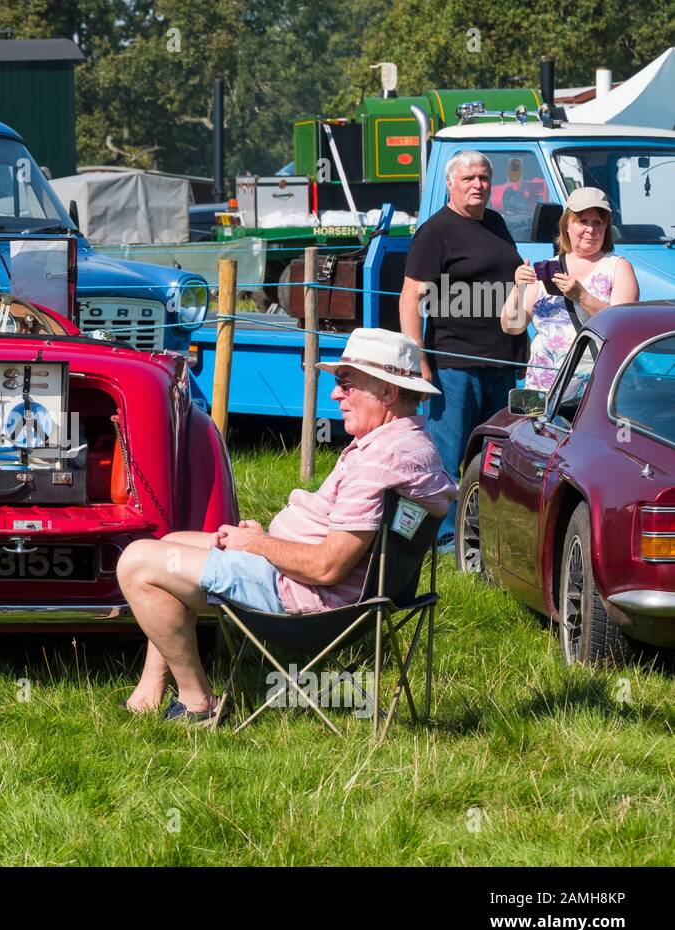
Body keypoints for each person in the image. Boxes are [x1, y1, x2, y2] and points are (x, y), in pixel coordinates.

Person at [116, 328, 456, 721]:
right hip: (317, 586)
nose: (335, 395)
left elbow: (327, 567)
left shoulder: (381, 460)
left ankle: (198, 703)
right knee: (173, 541)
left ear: (387, 392)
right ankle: (150, 690)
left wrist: (256, 546)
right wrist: (263, 539)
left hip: (303, 602)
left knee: (138, 562)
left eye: (346, 384)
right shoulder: (409, 445)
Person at [399, 150, 524, 547]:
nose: (477, 185)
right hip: (454, 363)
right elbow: (410, 297)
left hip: (500, 362)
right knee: (447, 456)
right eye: (469, 178)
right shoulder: (436, 232)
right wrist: (418, 357)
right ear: (450, 183)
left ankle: (485, 535)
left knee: (492, 458)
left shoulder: (496, 223)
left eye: (484, 178)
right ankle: (444, 540)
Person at [500, 187, 638, 390]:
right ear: (567, 225)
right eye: (583, 221)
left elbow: (623, 327)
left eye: (598, 223)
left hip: (596, 388)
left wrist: (581, 296)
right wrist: (518, 288)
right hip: (543, 388)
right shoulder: (546, 268)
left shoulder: (618, 267)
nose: (590, 229)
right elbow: (512, 326)